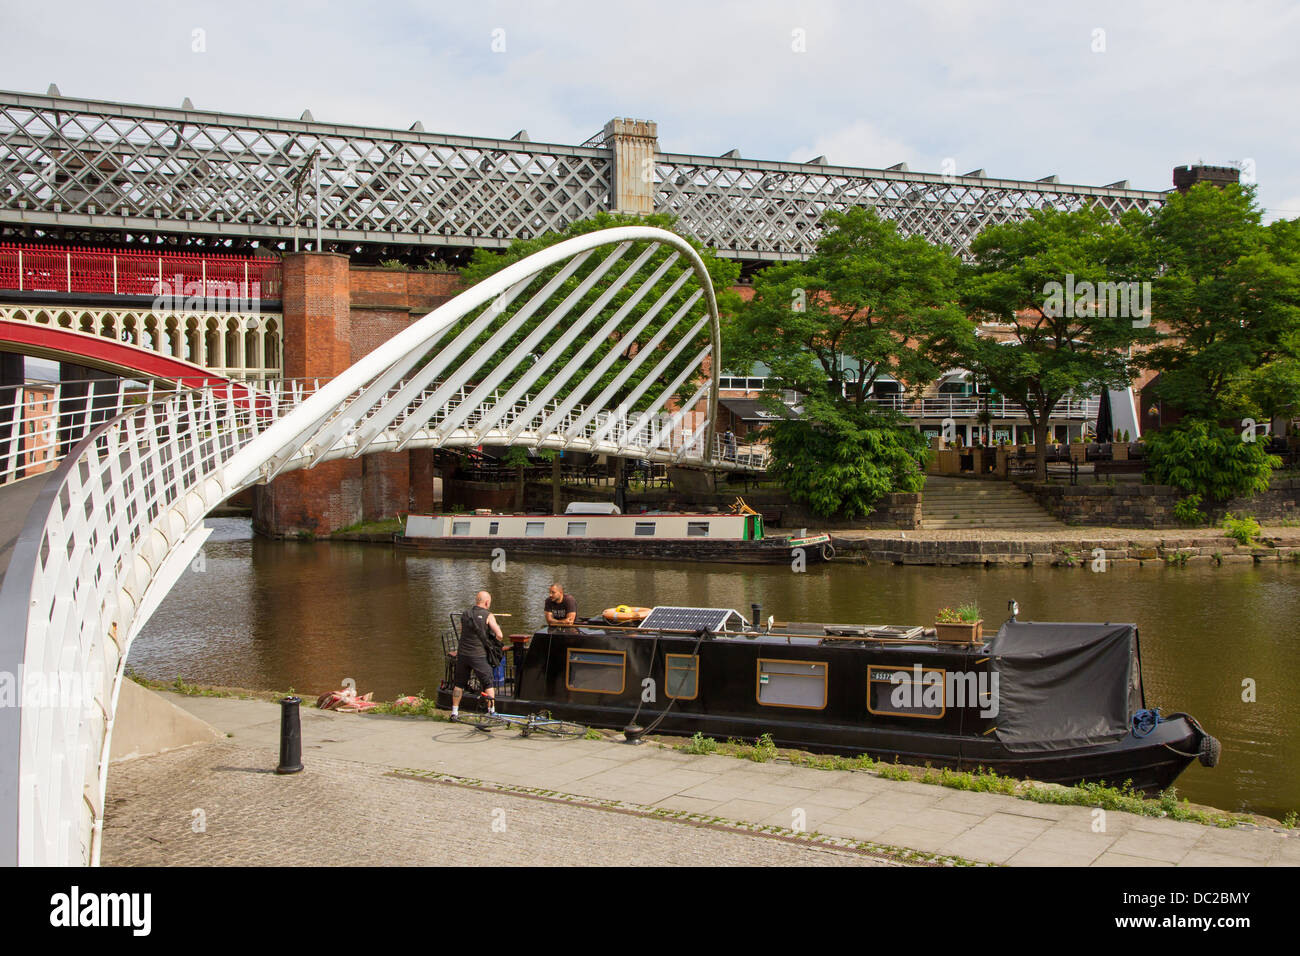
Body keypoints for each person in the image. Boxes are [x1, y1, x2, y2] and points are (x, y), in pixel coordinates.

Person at [450, 590, 505, 721]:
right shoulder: (488, 615)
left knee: (459, 684)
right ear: (486, 602)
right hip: (478, 655)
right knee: (488, 683)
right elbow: (500, 635)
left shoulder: (465, 614)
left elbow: (462, 631)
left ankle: (454, 712)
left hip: (463, 654)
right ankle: (491, 712)